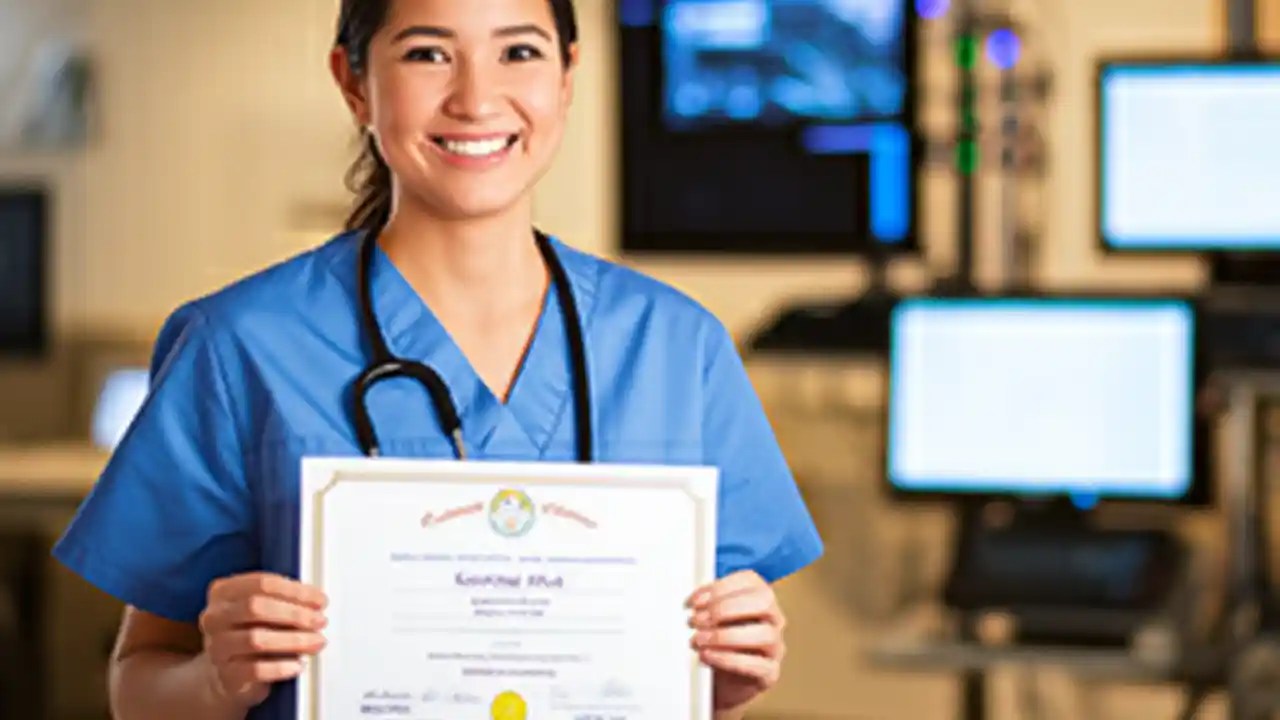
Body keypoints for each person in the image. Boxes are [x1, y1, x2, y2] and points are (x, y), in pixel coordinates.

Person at [50, 0, 824, 718]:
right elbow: (140, 681)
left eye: (519, 51)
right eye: (427, 54)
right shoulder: (240, 347)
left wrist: (725, 675)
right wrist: (217, 679)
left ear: (567, 76)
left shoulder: (676, 346)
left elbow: (692, 676)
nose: (476, 99)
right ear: (354, 83)